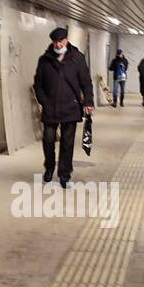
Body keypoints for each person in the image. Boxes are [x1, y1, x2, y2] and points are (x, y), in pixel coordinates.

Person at [33, 27, 94, 187]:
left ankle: (64, 174)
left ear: (66, 40)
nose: (58, 45)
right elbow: (38, 84)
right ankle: (49, 167)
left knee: (67, 143)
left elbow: (86, 82)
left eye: (61, 41)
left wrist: (88, 101)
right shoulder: (44, 60)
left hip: (70, 107)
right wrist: (44, 102)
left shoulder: (77, 58)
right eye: (55, 42)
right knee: (48, 139)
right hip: (50, 108)